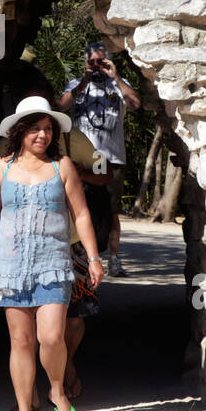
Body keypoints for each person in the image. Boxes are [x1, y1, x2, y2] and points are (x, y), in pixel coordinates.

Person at [0, 96, 104, 411]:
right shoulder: (1, 167)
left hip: (53, 263)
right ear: (20, 131)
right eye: (36, 129)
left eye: (48, 129)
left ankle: (56, 389)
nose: (43, 135)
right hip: (9, 266)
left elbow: (81, 214)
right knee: (21, 341)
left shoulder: (62, 166)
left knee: (52, 336)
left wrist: (94, 258)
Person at [58, 41, 141, 276]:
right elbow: (60, 106)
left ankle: (113, 258)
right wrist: (83, 81)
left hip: (111, 157)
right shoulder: (76, 84)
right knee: (75, 206)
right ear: (85, 63)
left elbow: (135, 103)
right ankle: (79, 255)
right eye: (91, 62)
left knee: (111, 211)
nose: (96, 66)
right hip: (82, 158)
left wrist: (115, 77)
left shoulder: (119, 85)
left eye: (100, 62)